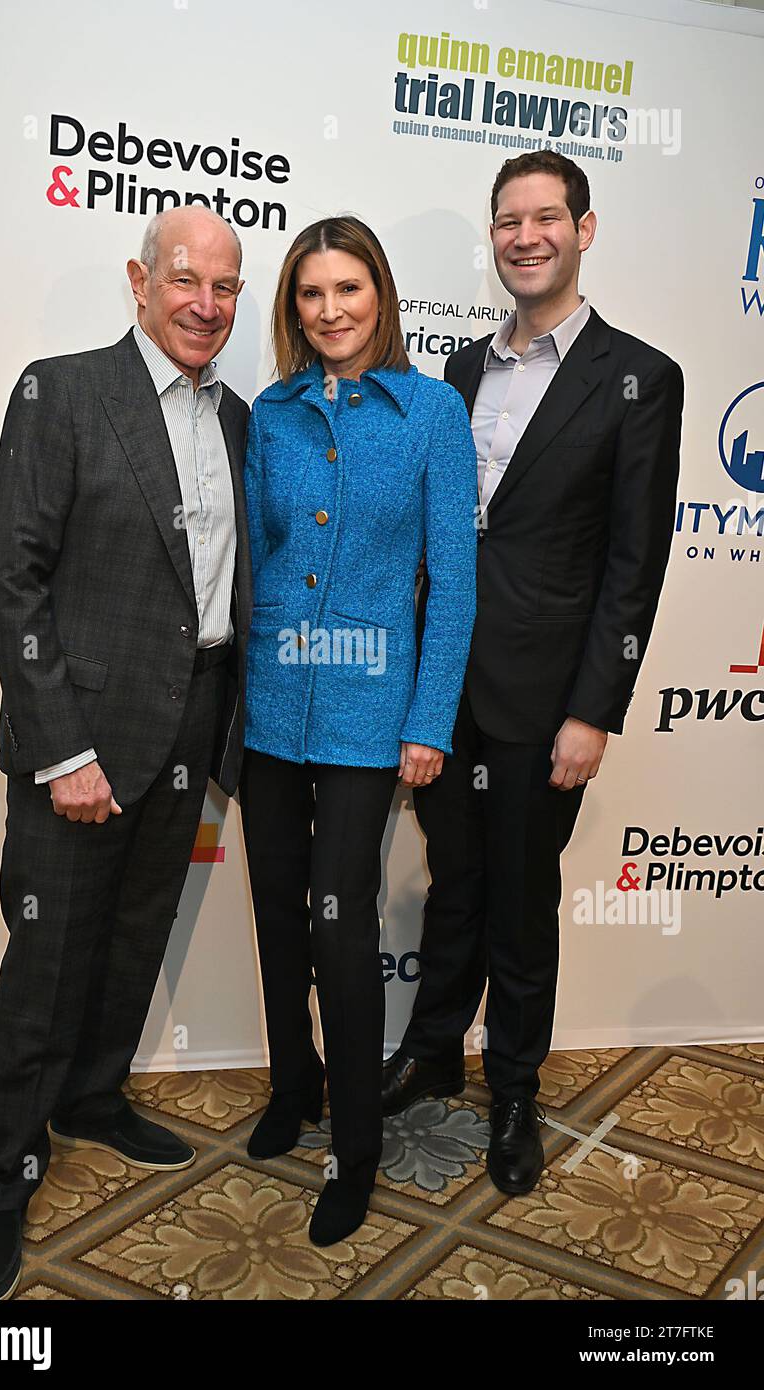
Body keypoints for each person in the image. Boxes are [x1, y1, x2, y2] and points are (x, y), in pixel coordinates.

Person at [0, 207, 252, 1300]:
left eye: (225, 288)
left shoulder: (239, 423)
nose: (206, 305)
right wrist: (60, 747)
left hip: (188, 726)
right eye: (186, 281)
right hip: (78, 737)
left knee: (132, 942)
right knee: (47, 964)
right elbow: (14, 580)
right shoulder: (63, 390)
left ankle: (91, 1097)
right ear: (139, 280)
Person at [382, 152, 684, 1197]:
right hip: (444, 691)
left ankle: (513, 1090)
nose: (525, 236)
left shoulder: (639, 375)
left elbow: (633, 562)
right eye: (508, 220)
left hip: (545, 698)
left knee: (518, 897)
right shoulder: (456, 371)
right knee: (451, 882)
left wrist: (592, 710)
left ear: (584, 229)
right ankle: (431, 1054)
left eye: (545, 217)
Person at [238, 215, 478, 1247]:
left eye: (349, 289)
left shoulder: (430, 412)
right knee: (279, 918)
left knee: (341, 924)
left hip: (368, 721)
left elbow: (454, 584)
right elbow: (248, 568)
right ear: (293, 309)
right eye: (309, 293)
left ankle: (356, 1145)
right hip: (270, 713)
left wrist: (428, 720)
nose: (330, 310)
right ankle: (294, 1086)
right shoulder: (272, 416)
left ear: (381, 295)